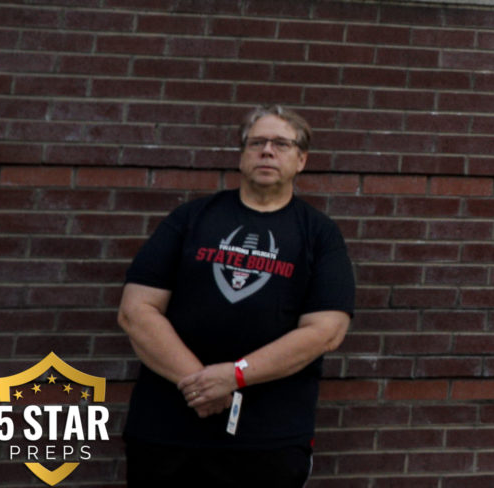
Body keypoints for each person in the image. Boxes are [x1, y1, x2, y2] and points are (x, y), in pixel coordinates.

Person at [118, 105, 354, 487]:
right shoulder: (191, 218)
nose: (266, 151)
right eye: (257, 142)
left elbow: (326, 330)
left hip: (268, 439)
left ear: (301, 160)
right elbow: (136, 310)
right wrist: (200, 382)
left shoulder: (320, 234)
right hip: (166, 429)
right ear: (242, 154)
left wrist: (235, 376)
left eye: (281, 143)